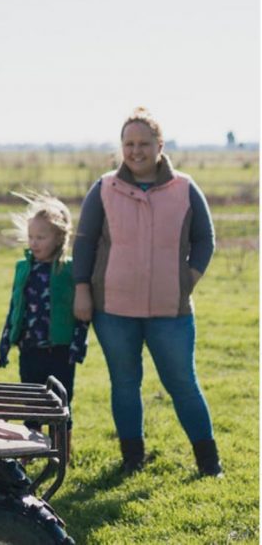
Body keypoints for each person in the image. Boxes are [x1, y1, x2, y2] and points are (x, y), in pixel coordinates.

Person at [73, 107, 222, 476]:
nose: (135, 151)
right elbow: (85, 241)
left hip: (171, 312)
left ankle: (209, 463)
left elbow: (205, 239)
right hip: (113, 310)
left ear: (160, 145)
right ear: (121, 146)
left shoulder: (185, 188)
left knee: (182, 383)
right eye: (128, 143)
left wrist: (187, 279)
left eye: (143, 143)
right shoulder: (104, 188)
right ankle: (132, 460)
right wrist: (82, 290)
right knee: (125, 384)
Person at [0, 192, 88, 456]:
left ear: (59, 237)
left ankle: (62, 455)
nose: (34, 243)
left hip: (60, 350)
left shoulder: (69, 270)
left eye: (41, 237)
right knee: (31, 404)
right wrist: (5, 343)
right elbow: (15, 307)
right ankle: (31, 453)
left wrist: (77, 347)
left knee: (61, 403)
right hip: (30, 349)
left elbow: (80, 313)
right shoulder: (23, 268)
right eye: (31, 237)